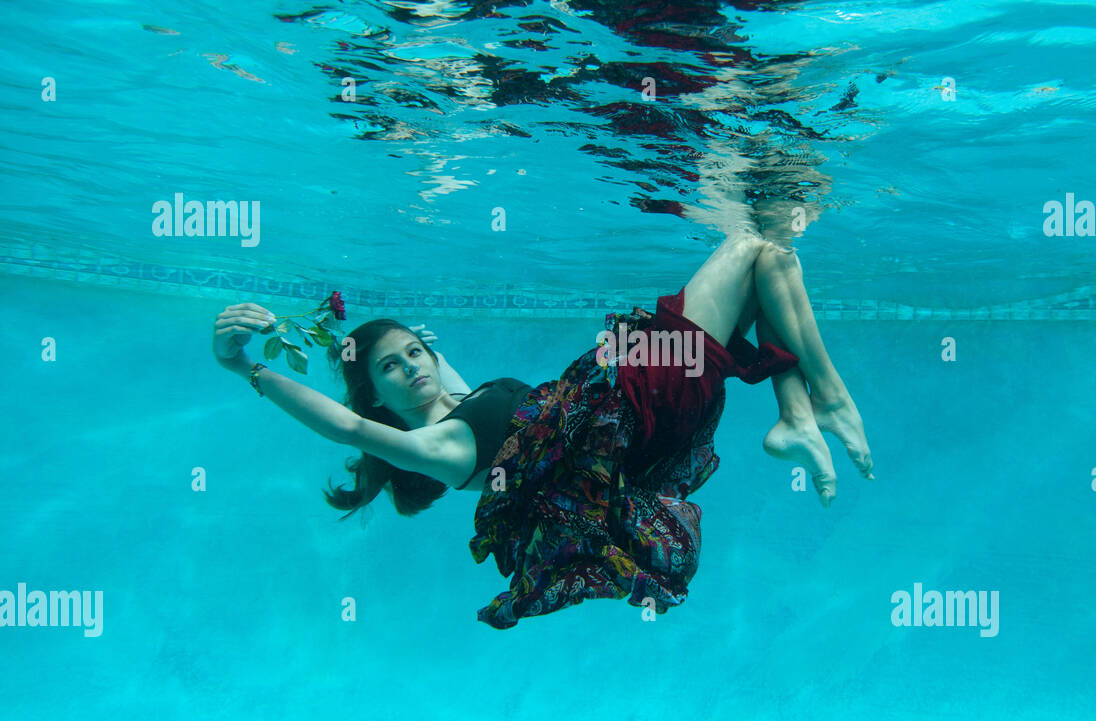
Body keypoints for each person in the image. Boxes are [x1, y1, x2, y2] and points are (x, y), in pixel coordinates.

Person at [212, 225, 872, 628]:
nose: (413, 365)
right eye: (392, 366)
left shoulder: (461, 402)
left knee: (767, 268)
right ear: (374, 396)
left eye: (415, 351)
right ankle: (829, 403)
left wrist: (399, 344)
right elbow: (346, 426)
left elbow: (450, 384)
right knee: (756, 244)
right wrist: (243, 366)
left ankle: (795, 416)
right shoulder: (438, 448)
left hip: (646, 403)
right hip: (646, 404)